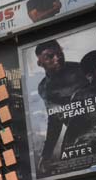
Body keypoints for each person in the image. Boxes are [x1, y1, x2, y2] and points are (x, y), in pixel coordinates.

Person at [33, 40, 89, 170]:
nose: (57, 58)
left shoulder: (82, 70)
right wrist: (46, 155)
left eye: (59, 53)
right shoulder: (44, 88)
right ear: (40, 63)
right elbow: (54, 120)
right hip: (76, 138)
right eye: (50, 56)